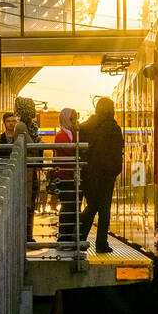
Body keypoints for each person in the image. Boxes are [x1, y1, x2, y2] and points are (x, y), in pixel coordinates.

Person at [79, 97, 123, 253]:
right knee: (104, 209)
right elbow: (117, 152)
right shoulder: (113, 128)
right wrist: (115, 170)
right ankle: (101, 243)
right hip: (106, 175)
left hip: (88, 173)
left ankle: (80, 238)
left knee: (92, 206)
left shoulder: (86, 126)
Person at [15, 96, 42, 241]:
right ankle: (25, 236)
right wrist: (38, 142)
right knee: (26, 204)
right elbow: (31, 145)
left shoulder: (30, 126)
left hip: (32, 170)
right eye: (31, 107)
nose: (34, 110)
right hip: (25, 173)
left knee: (31, 204)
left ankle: (29, 235)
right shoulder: (21, 126)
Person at [54, 107, 79, 244]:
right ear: (66, 118)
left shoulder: (75, 134)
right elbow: (68, 150)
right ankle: (64, 236)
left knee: (74, 206)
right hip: (64, 176)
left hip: (75, 177)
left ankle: (71, 235)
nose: (75, 121)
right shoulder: (60, 135)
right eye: (72, 118)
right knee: (67, 205)